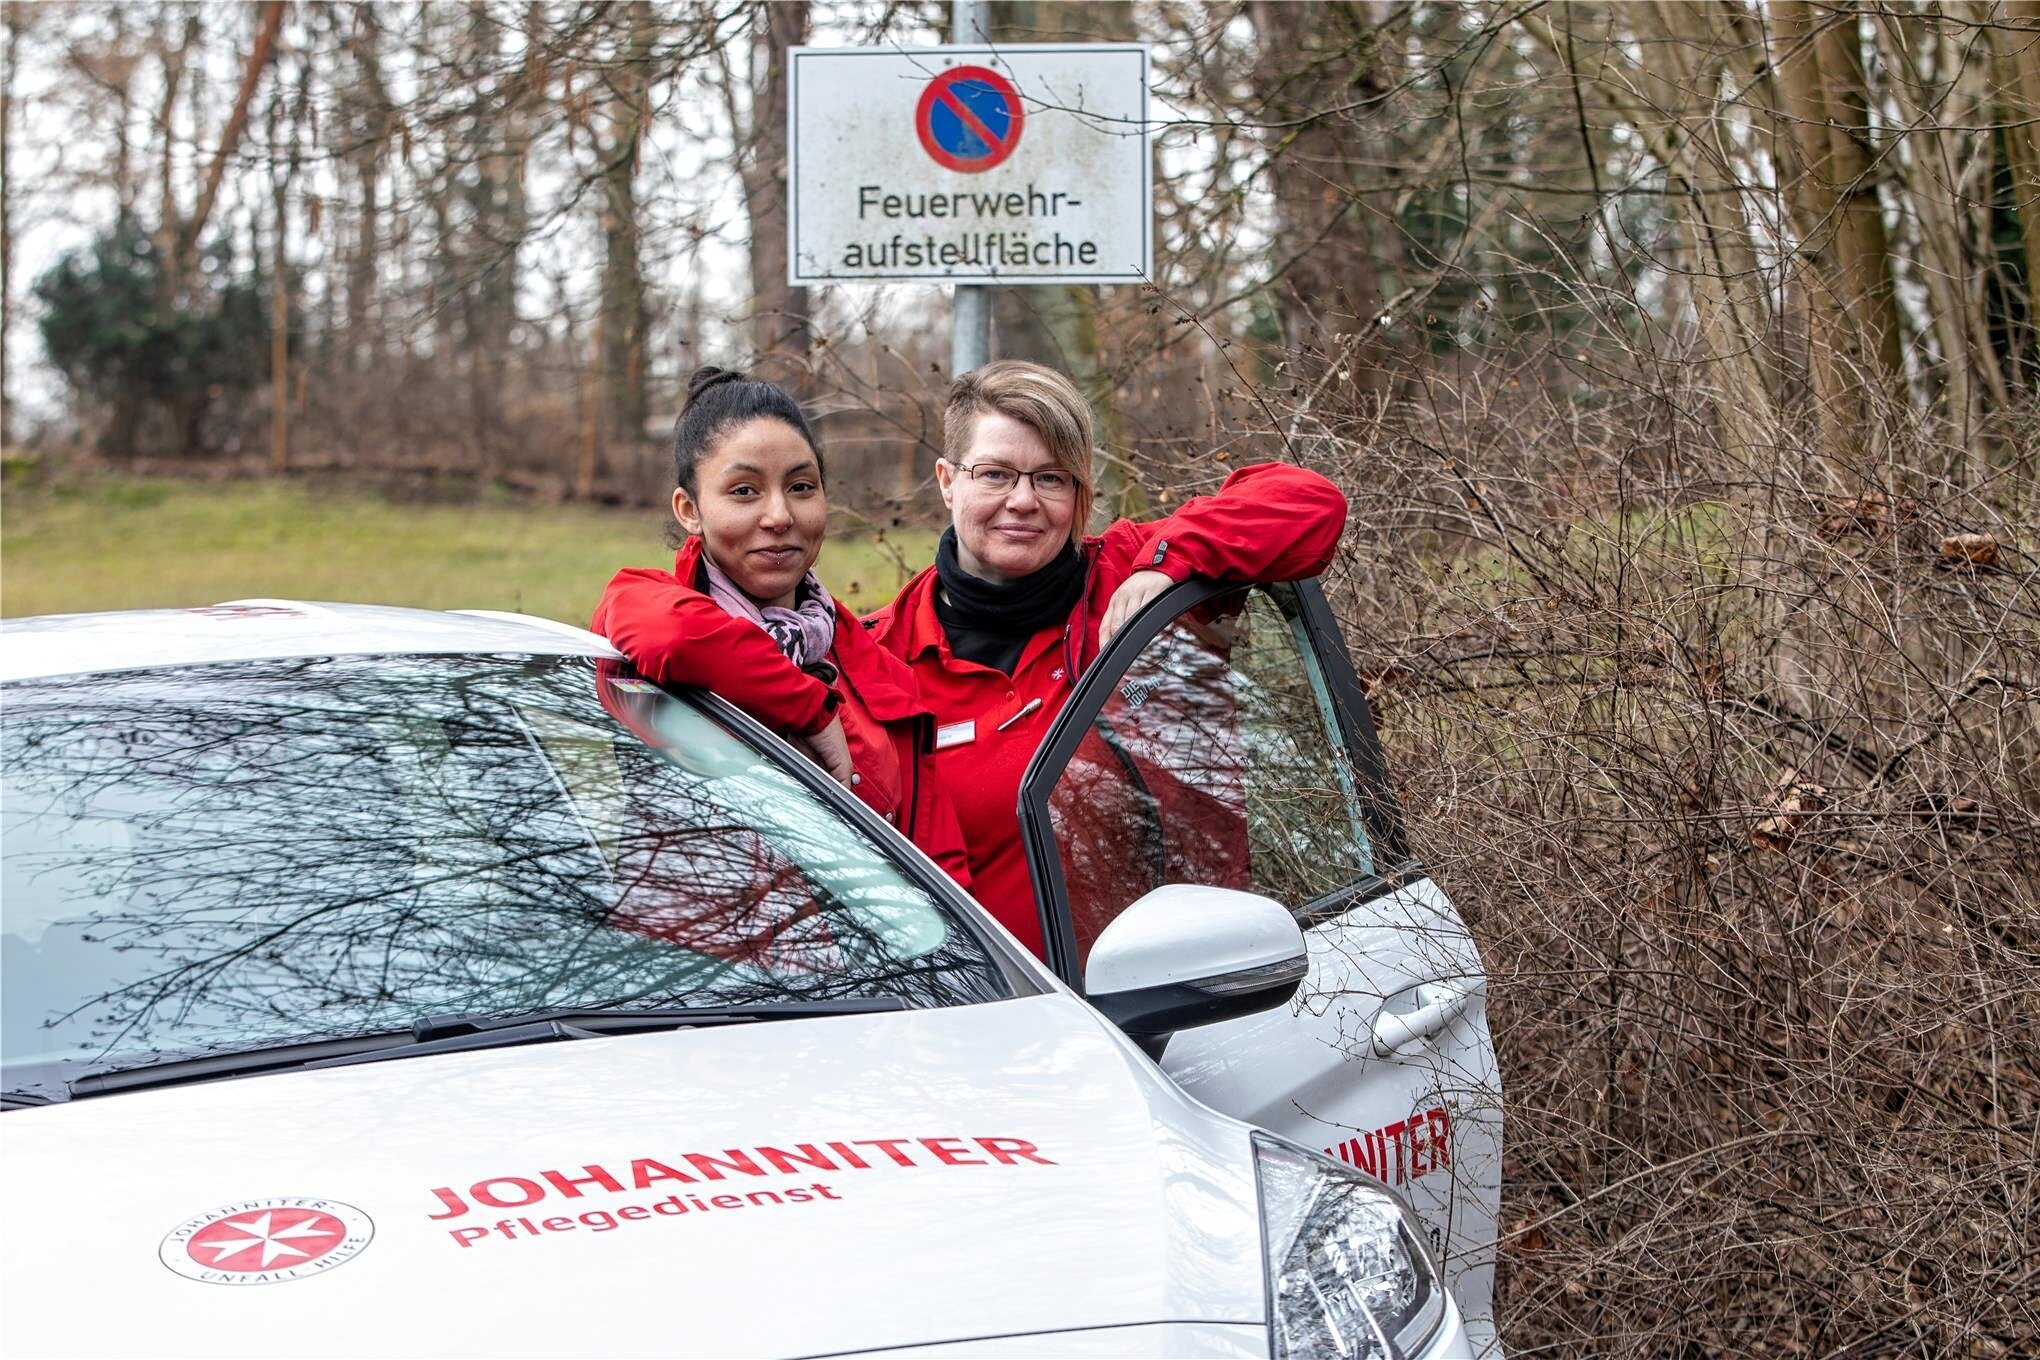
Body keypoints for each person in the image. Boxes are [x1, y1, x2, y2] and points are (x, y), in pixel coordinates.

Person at [863, 359, 1348, 956]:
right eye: (994, 474)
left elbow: (1310, 502)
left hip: (1186, 995)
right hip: (995, 1014)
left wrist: (1169, 564)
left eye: (1051, 478)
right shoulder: (882, 656)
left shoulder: (1129, 572)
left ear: (1079, 492)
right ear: (946, 480)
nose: (1022, 500)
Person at [592, 366, 971, 889]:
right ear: (690, 510)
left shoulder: (879, 671)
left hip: (863, 971)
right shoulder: (646, 608)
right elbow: (672, 636)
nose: (779, 515)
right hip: (695, 963)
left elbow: (940, 872)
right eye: (744, 491)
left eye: (800, 487)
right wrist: (808, 709)